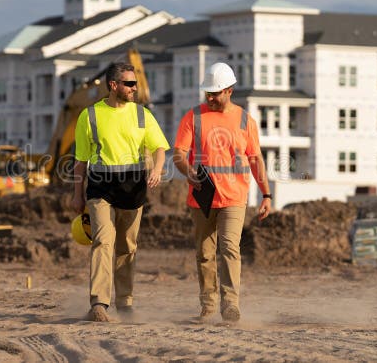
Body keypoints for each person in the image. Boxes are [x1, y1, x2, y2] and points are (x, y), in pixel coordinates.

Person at [172, 62, 272, 323]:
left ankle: (230, 304)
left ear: (229, 90)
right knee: (204, 253)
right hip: (202, 196)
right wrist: (187, 171)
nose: (210, 97)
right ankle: (208, 304)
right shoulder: (193, 116)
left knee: (229, 247)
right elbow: (179, 154)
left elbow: (255, 158)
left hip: (234, 197)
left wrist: (266, 194)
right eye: (208, 93)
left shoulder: (244, 120)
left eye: (215, 93)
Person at [71, 62, 169, 322]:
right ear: (113, 85)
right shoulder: (89, 115)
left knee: (127, 246)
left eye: (135, 83)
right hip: (100, 188)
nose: (134, 88)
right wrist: (77, 194)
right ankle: (99, 303)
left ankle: (124, 302)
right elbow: (80, 161)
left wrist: (157, 169)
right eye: (129, 83)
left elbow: (160, 147)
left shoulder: (142, 114)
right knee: (103, 240)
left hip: (133, 189)